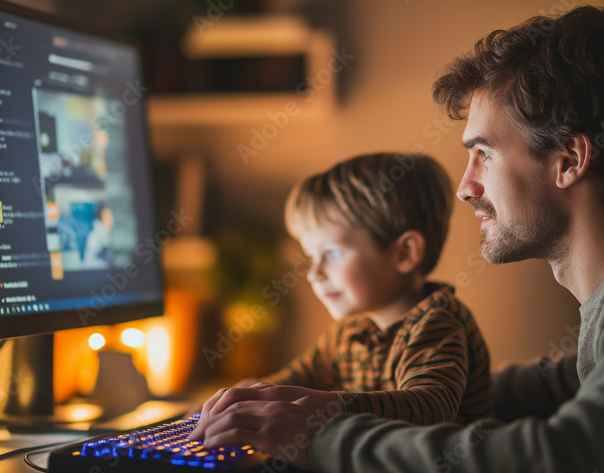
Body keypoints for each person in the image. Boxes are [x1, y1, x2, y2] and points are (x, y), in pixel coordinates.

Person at [191, 6, 604, 473]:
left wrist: (319, 435)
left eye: (482, 153)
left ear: (569, 160)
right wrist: (393, 392)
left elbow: (569, 470)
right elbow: (574, 383)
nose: (464, 188)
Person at [198, 153, 493, 426]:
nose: (315, 273)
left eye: (333, 254)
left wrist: (327, 405)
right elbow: (292, 381)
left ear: (405, 253)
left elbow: (430, 408)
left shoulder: (437, 323)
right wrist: (244, 396)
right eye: (312, 257)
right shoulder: (349, 332)